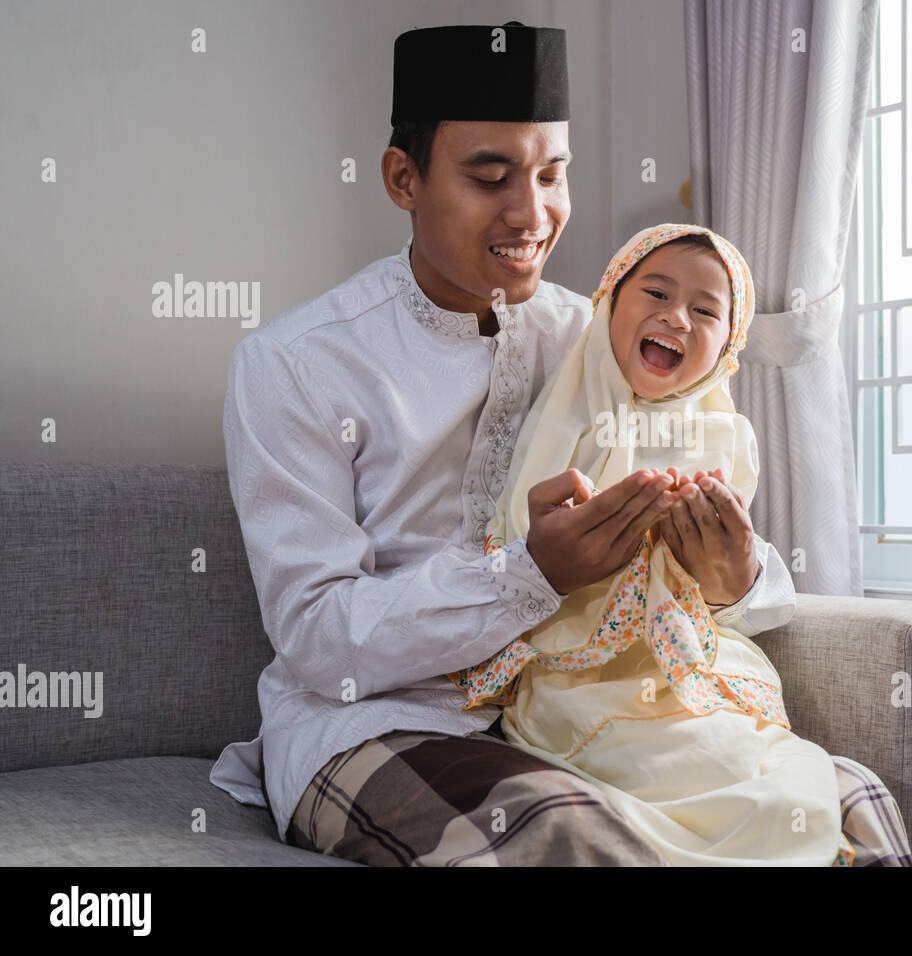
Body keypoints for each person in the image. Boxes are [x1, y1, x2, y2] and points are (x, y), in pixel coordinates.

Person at [208, 22, 798, 866]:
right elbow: (317, 637)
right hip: (375, 722)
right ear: (402, 178)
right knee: (560, 830)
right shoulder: (295, 364)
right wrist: (528, 574)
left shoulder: (595, 335)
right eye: (491, 177)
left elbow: (717, 528)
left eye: (553, 175)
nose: (533, 213)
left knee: (839, 802)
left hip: (585, 712)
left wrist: (735, 575)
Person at [448, 223, 912, 866]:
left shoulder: (727, 438)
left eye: (705, 310)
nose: (677, 318)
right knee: (676, 770)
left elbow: (734, 586)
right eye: (657, 294)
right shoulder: (564, 413)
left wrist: (725, 569)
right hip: (581, 677)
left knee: (781, 772)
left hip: (692, 662)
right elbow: (511, 551)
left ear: (728, 345)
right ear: (611, 301)